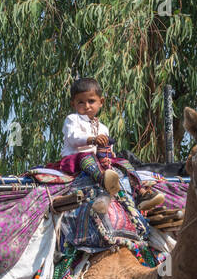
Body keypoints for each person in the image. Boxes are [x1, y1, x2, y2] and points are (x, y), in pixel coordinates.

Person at [57, 77, 161, 213]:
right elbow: (73, 138)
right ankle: (104, 181)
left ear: (101, 102)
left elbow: (107, 147)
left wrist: (109, 155)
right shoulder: (72, 119)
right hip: (76, 159)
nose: (87, 106)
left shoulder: (103, 128)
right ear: (73, 104)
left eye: (91, 101)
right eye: (81, 102)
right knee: (87, 157)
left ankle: (141, 191)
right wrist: (91, 140)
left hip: (98, 160)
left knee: (123, 162)